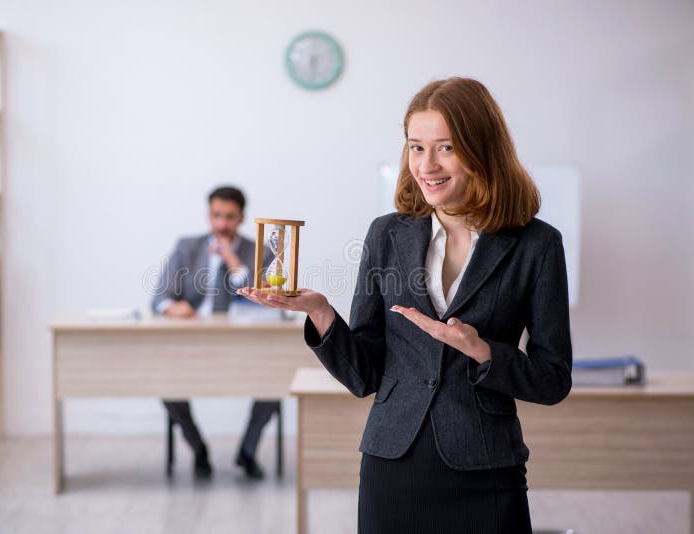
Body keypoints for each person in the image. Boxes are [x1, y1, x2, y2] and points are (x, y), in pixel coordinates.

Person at [240, 77, 572, 532]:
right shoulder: (386, 235)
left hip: (486, 466)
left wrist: (482, 351)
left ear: (482, 149)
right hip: (392, 460)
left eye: (446, 147)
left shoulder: (537, 245)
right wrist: (321, 313)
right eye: (416, 147)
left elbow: (553, 380)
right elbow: (364, 375)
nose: (427, 164)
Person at [151, 185, 278, 480]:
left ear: (242, 218)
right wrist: (173, 307)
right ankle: (198, 449)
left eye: (229, 217)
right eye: (216, 215)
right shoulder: (186, 247)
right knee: (168, 388)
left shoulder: (260, 251)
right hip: (193, 341)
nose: (221, 224)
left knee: (275, 384)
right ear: (208, 215)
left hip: (243, 345)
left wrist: (233, 260)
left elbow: (262, 300)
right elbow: (159, 297)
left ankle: (247, 452)